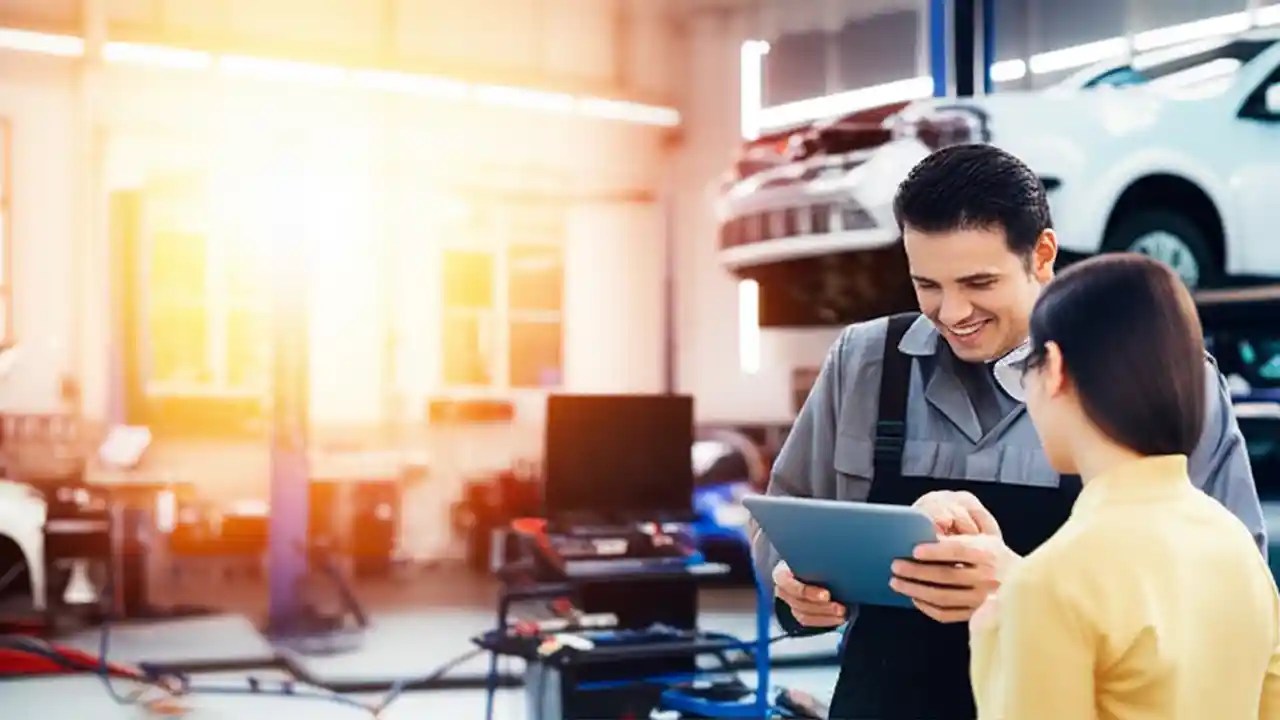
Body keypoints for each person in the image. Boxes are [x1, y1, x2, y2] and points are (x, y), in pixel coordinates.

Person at [750, 143, 1267, 720]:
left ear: (1042, 254)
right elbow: (784, 516)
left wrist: (1028, 593)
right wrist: (794, 588)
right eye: (928, 285)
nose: (951, 312)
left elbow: (1223, 604)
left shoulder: (1160, 377)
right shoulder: (863, 362)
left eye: (978, 282)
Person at [968, 252, 1280, 719]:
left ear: (1053, 368)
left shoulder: (1052, 582)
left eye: (1023, 371)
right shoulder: (1238, 549)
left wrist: (991, 645)